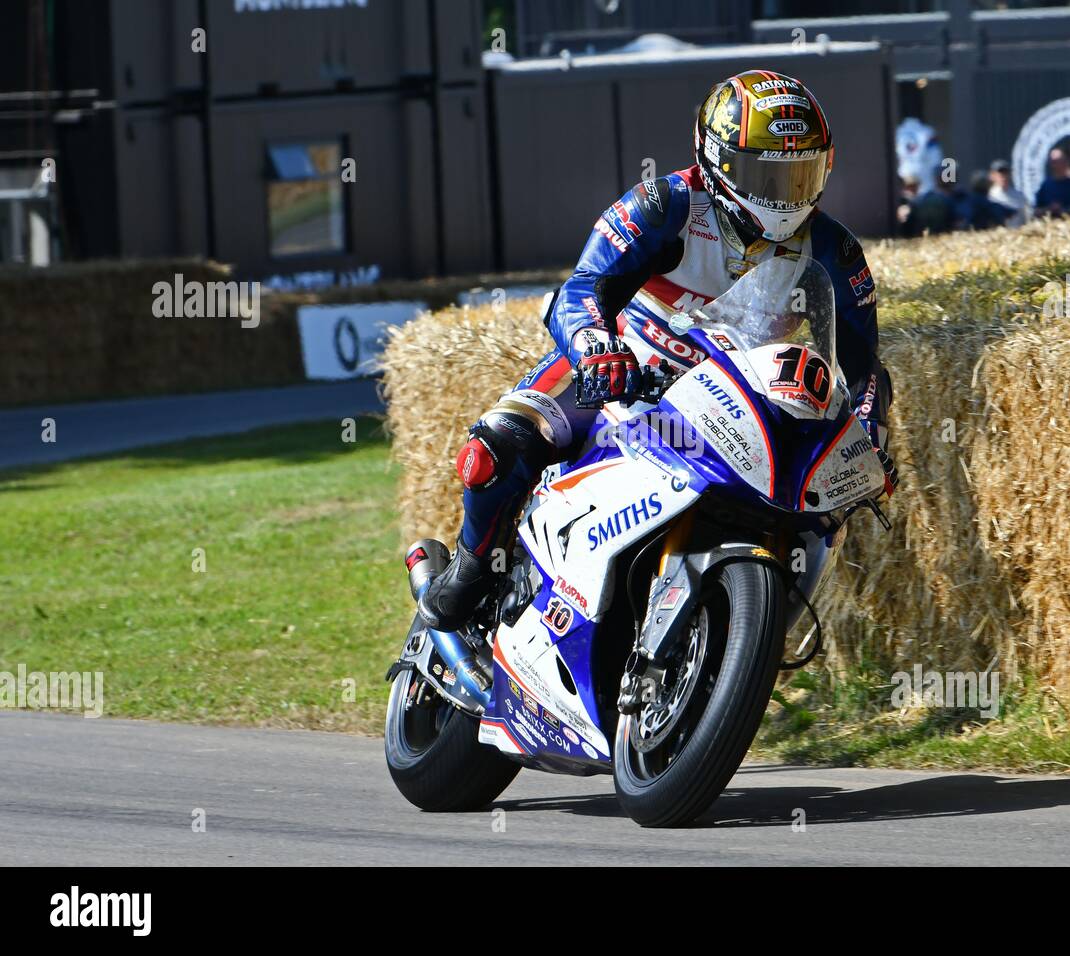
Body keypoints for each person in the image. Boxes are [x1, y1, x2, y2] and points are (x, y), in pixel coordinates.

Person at [417, 70, 899, 630]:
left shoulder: (836, 250)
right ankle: (470, 575)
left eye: (798, 174)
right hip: (628, 370)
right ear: (717, 160)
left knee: (812, 514)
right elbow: (583, 287)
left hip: (733, 399)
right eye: (764, 174)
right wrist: (597, 346)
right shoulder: (667, 202)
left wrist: (868, 438)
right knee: (504, 441)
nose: (783, 194)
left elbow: (863, 369)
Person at [1034, 148, 1070, 217]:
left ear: (1066, 162)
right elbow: (1036, 211)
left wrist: (1065, 210)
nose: (1056, 165)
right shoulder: (1045, 186)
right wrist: (1049, 209)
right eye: (1053, 162)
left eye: (1059, 161)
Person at [987, 159, 1028, 227]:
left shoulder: (1019, 196)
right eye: (1000, 173)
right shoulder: (989, 197)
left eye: (1005, 172)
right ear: (992, 176)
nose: (1003, 176)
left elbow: (1026, 218)